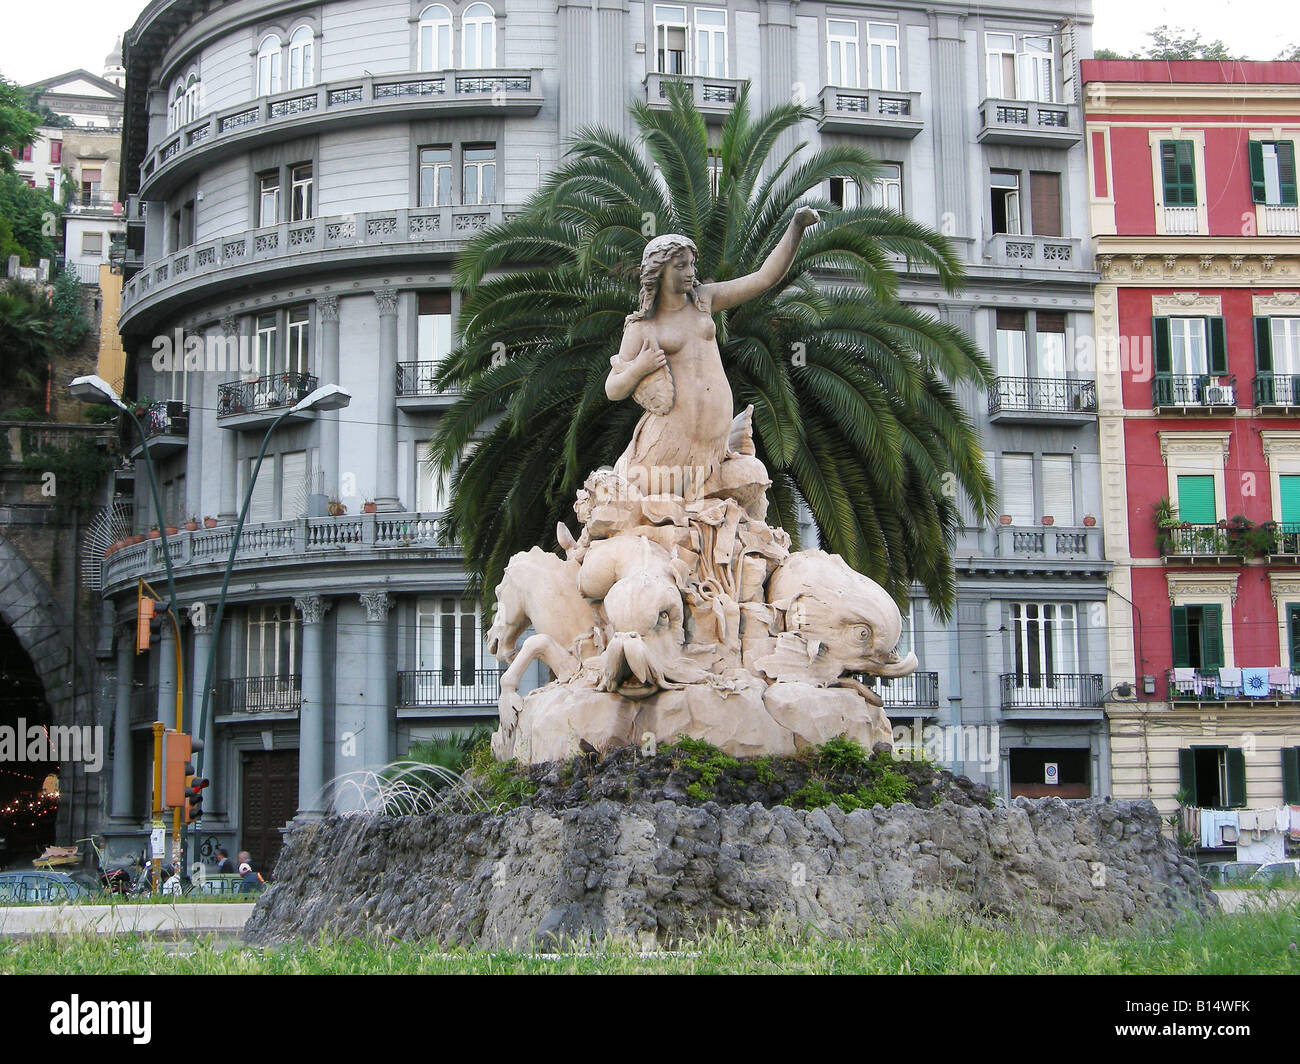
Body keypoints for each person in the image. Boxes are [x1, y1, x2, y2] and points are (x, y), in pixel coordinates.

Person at [605, 206, 819, 519]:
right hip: (667, 446)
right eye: (681, 266)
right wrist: (640, 367)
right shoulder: (642, 326)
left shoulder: (704, 299)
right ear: (659, 271)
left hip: (713, 447)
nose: (691, 271)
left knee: (752, 479)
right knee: (663, 514)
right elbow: (613, 388)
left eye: (692, 263)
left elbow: (764, 278)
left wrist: (797, 226)